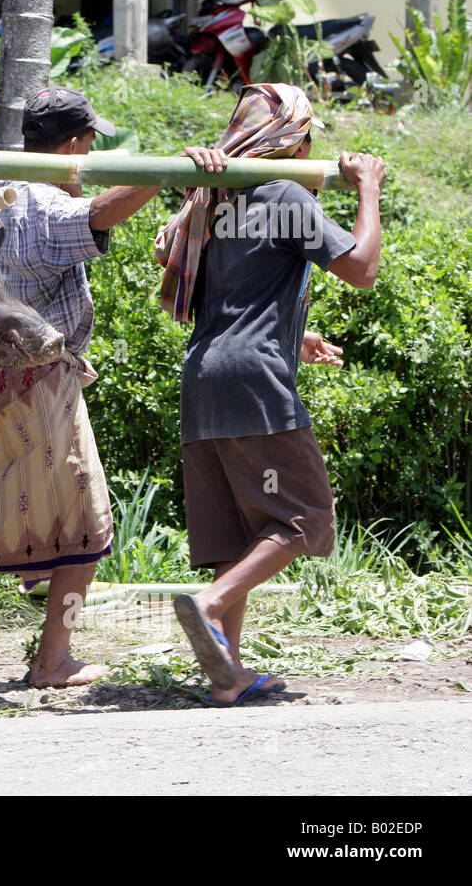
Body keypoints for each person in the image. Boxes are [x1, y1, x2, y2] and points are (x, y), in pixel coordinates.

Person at [0, 86, 225, 690]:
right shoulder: (47, 203)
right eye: (89, 146)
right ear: (75, 146)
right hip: (40, 386)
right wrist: (167, 173)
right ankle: (50, 659)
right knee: (89, 525)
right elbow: (97, 216)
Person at [160, 83, 385, 706]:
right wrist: (369, 189)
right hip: (254, 379)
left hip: (203, 379)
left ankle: (227, 678)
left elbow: (227, 298)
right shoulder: (283, 193)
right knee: (305, 517)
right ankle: (207, 607)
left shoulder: (214, 201)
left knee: (236, 536)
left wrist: (297, 332)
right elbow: (361, 269)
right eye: (309, 136)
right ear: (290, 140)